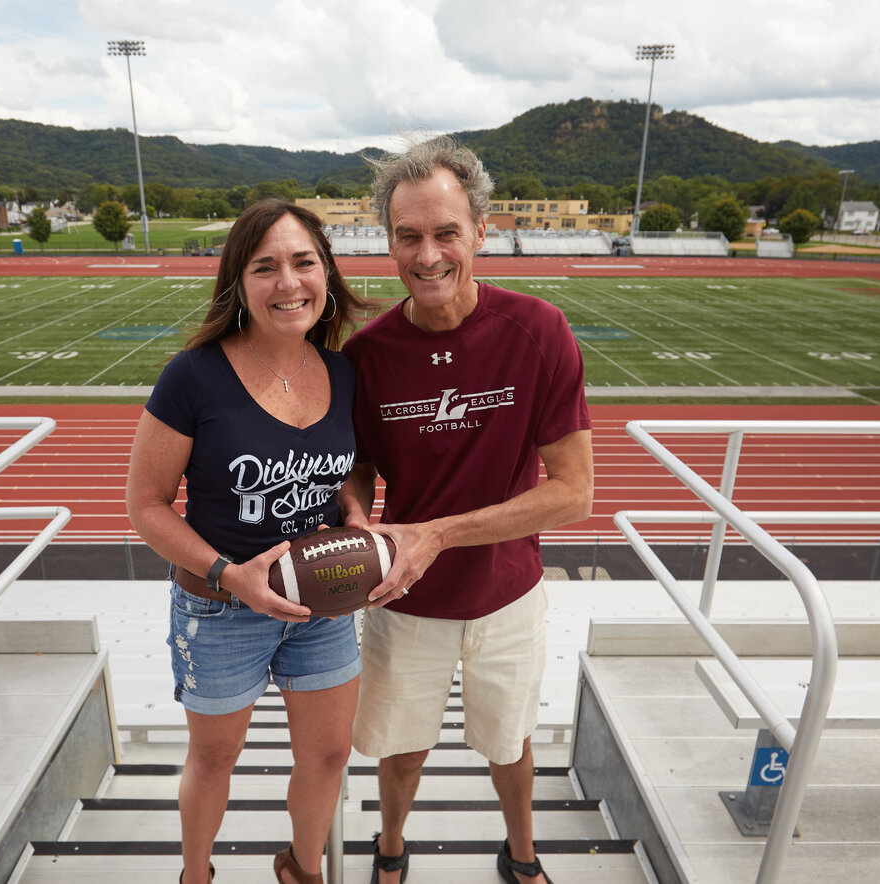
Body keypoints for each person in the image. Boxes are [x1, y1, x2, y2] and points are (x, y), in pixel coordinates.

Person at [337, 135, 594, 884]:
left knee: (510, 744)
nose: (428, 256)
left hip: (506, 594)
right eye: (408, 236)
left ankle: (522, 853)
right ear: (388, 242)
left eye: (446, 232)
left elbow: (574, 492)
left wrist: (437, 535)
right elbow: (359, 467)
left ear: (482, 231)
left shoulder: (539, 331)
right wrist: (356, 514)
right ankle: (390, 847)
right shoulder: (367, 356)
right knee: (401, 747)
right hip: (403, 598)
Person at [126, 199, 372, 884]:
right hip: (220, 609)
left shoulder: (343, 371)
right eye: (265, 267)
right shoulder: (193, 376)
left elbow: (351, 469)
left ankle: (303, 869)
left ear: (326, 274)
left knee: (329, 754)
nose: (288, 283)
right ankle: (196, 875)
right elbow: (146, 506)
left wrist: (356, 509)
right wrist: (230, 574)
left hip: (320, 603)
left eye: (303, 263)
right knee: (215, 759)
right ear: (238, 282)